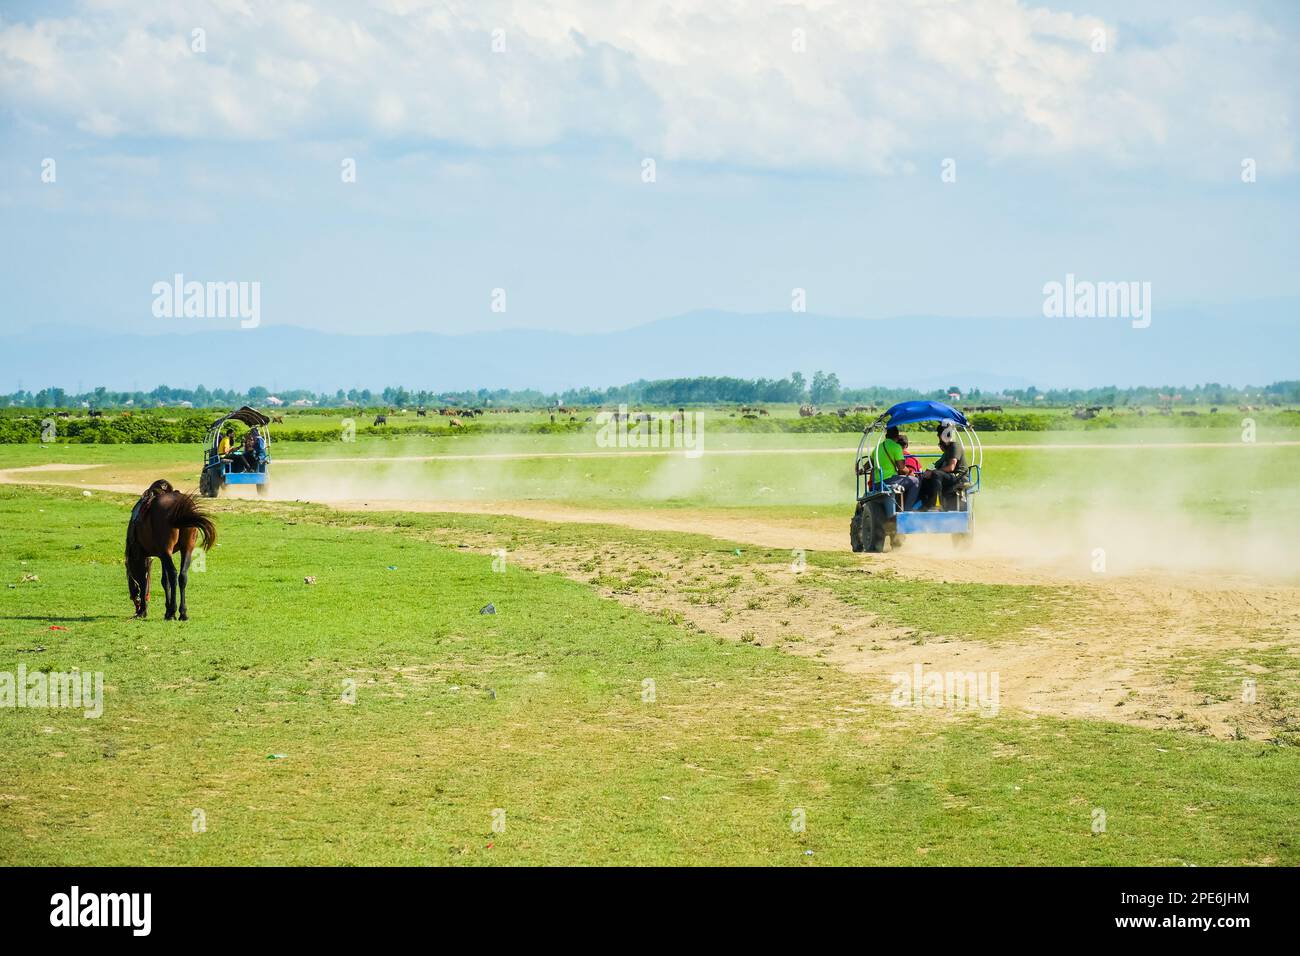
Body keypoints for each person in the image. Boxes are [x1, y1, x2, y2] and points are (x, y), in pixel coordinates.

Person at [919, 421, 967, 510]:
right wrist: (927, 471)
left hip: (958, 477)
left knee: (937, 474)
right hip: (949, 476)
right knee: (924, 479)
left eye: (939, 436)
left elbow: (951, 467)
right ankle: (926, 505)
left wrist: (933, 472)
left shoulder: (955, 446)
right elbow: (936, 464)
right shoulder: (947, 450)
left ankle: (937, 504)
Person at [875, 425, 920, 510]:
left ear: (886, 436)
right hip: (889, 480)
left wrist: (861, 469)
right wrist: (911, 473)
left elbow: (868, 463)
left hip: (877, 482)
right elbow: (901, 467)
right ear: (897, 436)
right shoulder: (896, 447)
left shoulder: (878, 447)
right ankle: (907, 510)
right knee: (915, 481)